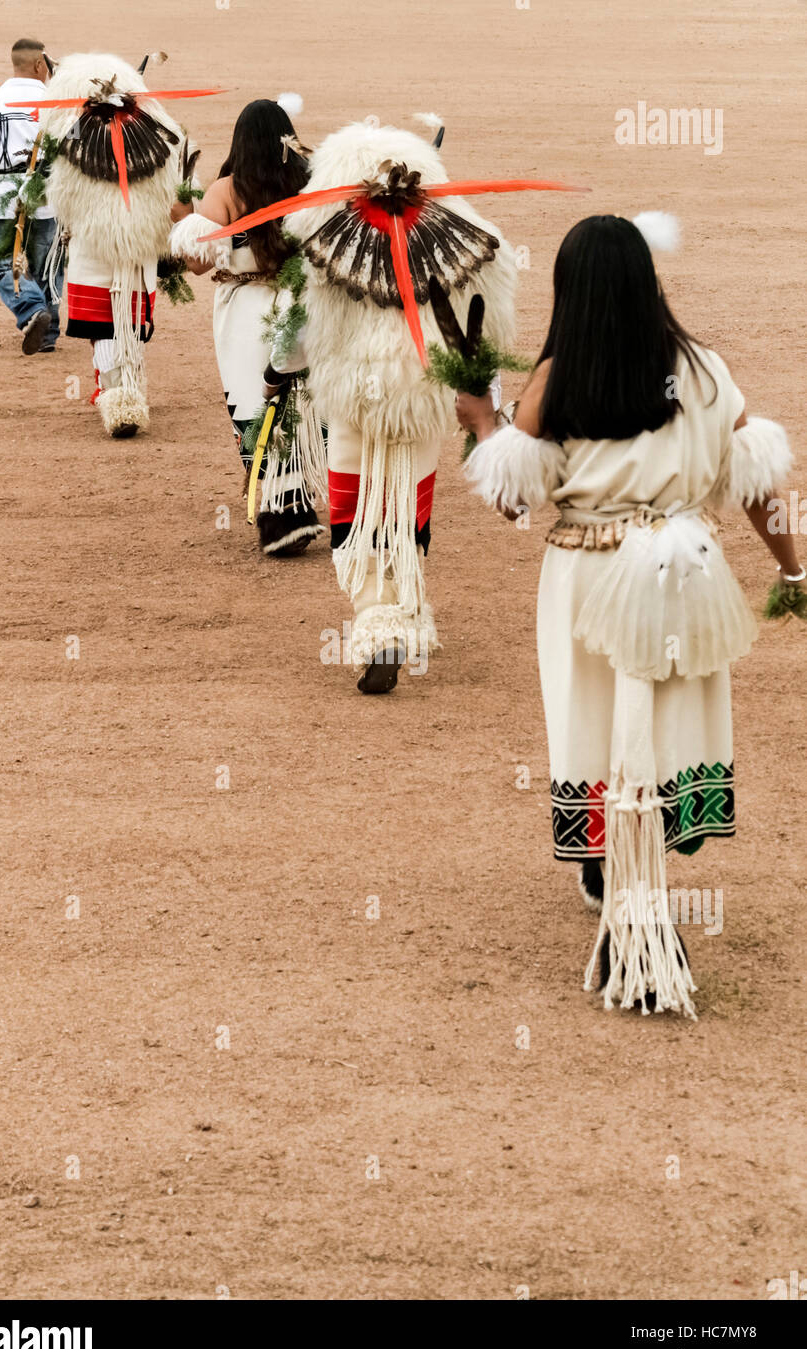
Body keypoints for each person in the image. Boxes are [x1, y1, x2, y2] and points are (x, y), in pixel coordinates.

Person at [457, 212, 802, 1017]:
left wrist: (480, 424)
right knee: (665, 728)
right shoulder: (706, 372)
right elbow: (757, 485)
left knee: (598, 725)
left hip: (589, 574)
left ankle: (620, 893)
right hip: (685, 574)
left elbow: (513, 497)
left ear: (569, 292)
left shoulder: (557, 379)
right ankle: (643, 899)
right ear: (650, 284)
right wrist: (796, 570)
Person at [278, 118, 517, 690]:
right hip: (424, 398)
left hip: (353, 399)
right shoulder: (460, 245)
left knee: (353, 511)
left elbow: (295, 333)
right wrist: (486, 401)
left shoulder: (324, 248)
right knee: (405, 511)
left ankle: (376, 620)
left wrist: (276, 376)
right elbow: (482, 329)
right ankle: (406, 605)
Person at [170, 96, 326, 555]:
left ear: (240, 141)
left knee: (256, 402)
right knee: (299, 400)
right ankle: (297, 506)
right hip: (301, 303)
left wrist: (182, 219)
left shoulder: (224, 191)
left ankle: (280, 519)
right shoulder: (310, 182)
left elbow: (198, 265)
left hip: (244, 310)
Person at [38, 52, 192, 437]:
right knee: (127, 322)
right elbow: (181, 193)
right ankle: (125, 391)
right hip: (139, 248)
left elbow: (57, 192)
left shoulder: (71, 134)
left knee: (103, 326)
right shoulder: (163, 135)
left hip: (93, 244)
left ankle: (117, 396)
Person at [0, 36, 63, 354]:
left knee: (1, 261)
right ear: (38, 64)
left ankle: (32, 312)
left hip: (4, 195)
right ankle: (47, 332)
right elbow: (74, 150)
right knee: (48, 265)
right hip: (47, 195)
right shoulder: (56, 103)